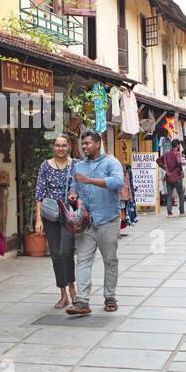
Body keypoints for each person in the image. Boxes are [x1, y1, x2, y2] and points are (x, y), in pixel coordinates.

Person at [66, 129, 124, 316]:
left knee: (110, 260)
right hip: (86, 222)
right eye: (83, 144)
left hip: (108, 219)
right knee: (82, 259)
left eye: (88, 143)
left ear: (98, 144)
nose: (84, 147)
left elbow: (117, 182)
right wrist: (73, 193)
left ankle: (110, 297)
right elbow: (75, 184)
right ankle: (82, 302)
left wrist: (89, 181)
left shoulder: (111, 162)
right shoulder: (79, 166)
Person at [33, 134, 76, 309]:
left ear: (69, 147)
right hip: (49, 215)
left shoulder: (75, 165)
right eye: (57, 145)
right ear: (53, 147)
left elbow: (76, 185)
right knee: (56, 254)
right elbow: (39, 193)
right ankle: (63, 293)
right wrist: (38, 219)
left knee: (67, 251)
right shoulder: (45, 165)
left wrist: (73, 193)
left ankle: (72, 286)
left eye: (63, 145)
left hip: (67, 214)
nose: (60, 148)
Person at [157, 140, 186, 216]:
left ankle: (169, 213)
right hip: (176, 176)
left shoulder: (166, 154)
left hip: (168, 177)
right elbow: (178, 163)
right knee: (181, 194)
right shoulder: (177, 154)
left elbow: (158, 161)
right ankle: (182, 212)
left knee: (169, 195)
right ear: (177, 145)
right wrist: (180, 170)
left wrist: (165, 168)